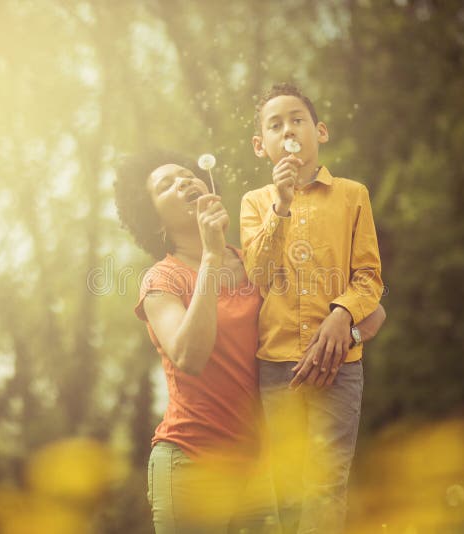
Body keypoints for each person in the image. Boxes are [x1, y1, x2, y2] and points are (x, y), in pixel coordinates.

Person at [115, 149, 386, 534]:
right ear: (155, 220)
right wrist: (210, 257)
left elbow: (374, 313)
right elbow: (189, 356)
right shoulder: (162, 281)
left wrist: (342, 328)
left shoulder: (258, 262)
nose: (185, 180)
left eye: (186, 174)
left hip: (260, 471)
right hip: (192, 463)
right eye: (166, 185)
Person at [240, 83, 385, 533]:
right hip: (277, 367)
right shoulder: (254, 203)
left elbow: (369, 279)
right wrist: (280, 207)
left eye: (297, 119)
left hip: (340, 366)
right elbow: (258, 275)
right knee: (285, 491)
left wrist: (342, 315)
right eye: (275, 123)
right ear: (260, 146)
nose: (289, 130)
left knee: (326, 488)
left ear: (319, 131)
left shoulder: (352, 194)